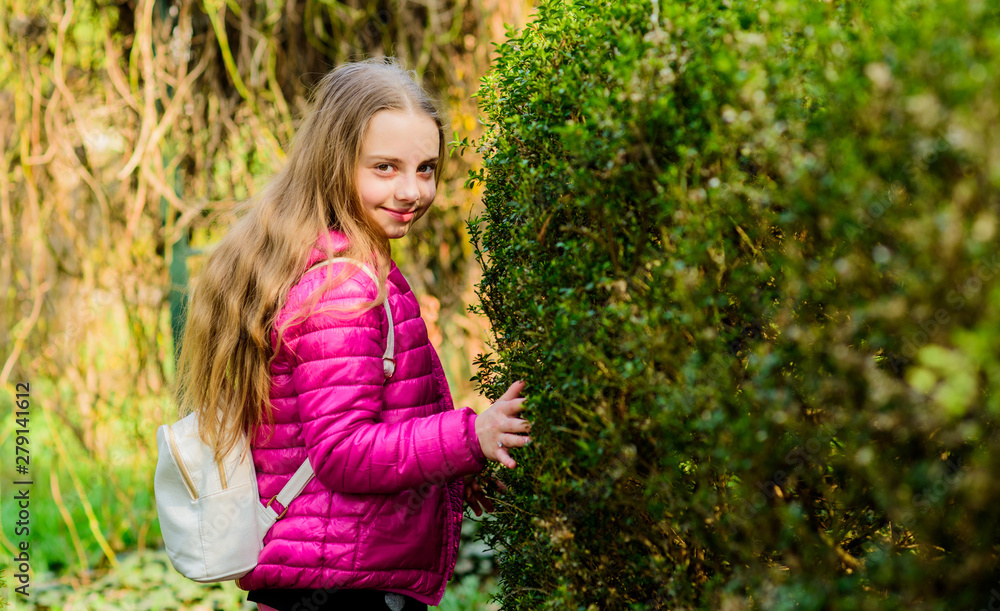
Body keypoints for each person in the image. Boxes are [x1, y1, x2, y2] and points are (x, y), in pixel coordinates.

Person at [173, 58, 532, 611]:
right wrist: (468, 436)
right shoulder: (343, 286)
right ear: (335, 163)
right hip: (340, 591)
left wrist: (455, 469)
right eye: (385, 168)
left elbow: (383, 420)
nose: (412, 190)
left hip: (332, 574)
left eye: (427, 168)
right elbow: (343, 451)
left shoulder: (340, 264)